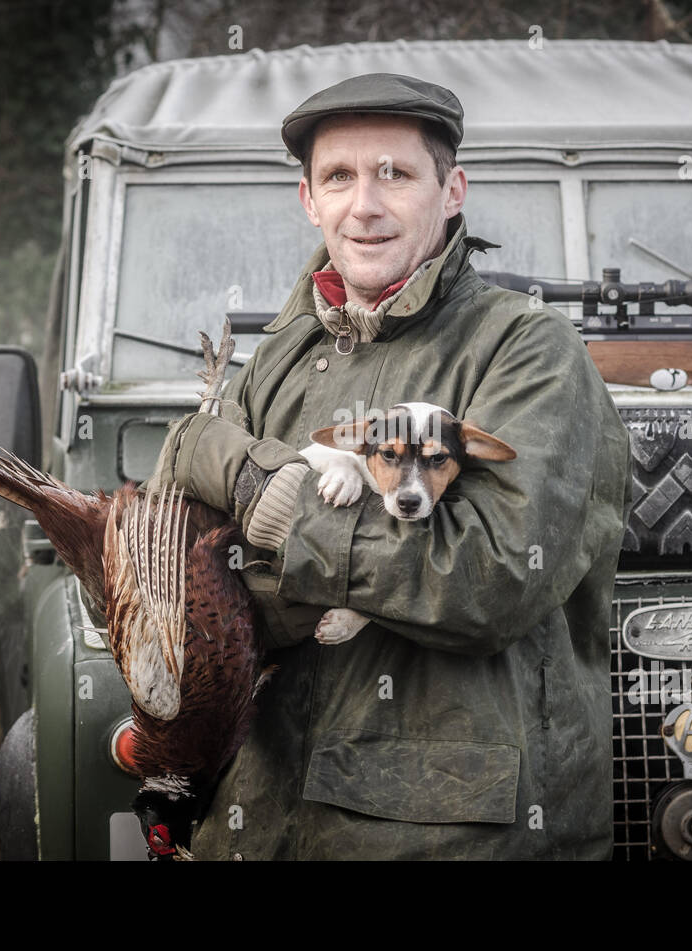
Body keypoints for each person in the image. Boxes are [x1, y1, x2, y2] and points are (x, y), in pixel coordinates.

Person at [146, 72, 632, 859]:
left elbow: (490, 577)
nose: (363, 204)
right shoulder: (281, 355)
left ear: (452, 190)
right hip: (259, 826)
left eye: (394, 173)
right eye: (339, 176)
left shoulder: (527, 350)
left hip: (450, 836)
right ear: (309, 198)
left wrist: (268, 496)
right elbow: (194, 577)